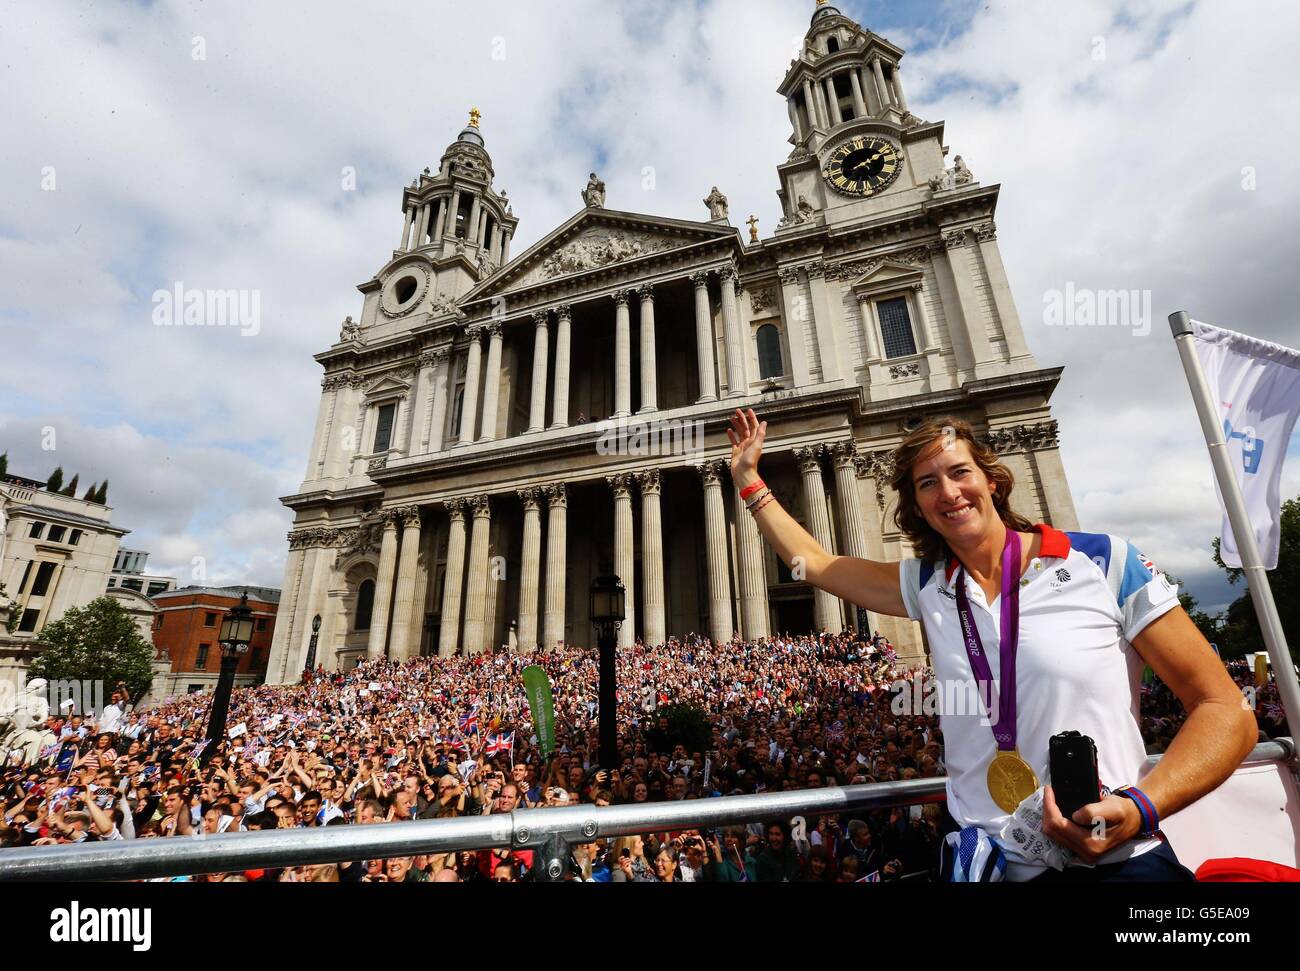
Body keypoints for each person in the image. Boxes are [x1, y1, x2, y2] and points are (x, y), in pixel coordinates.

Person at [726, 408, 1257, 882]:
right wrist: (750, 483)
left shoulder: (1103, 561)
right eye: (927, 483)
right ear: (917, 505)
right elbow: (814, 564)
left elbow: (1225, 709)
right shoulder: (927, 585)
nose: (949, 493)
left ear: (992, 481)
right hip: (989, 862)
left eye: (960, 472)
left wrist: (1141, 807)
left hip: (1117, 857)